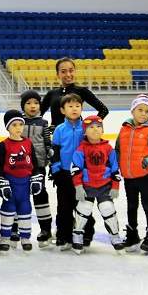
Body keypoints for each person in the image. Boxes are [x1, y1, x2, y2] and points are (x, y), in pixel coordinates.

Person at [115, 94, 148, 253]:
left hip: (145, 175)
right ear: (132, 111)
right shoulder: (124, 129)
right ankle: (132, 235)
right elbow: (117, 150)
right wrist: (114, 168)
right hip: (128, 176)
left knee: (147, 204)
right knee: (131, 206)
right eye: (140, 110)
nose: (144, 114)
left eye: (147, 111)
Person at [70, 115, 125, 255]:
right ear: (85, 131)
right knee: (84, 208)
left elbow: (115, 169)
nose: (95, 130)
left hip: (104, 186)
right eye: (91, 127)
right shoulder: (81, 149)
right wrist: (78, 187)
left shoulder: (108, 148)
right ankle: (77, 234)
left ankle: (115, 236)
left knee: (107, 208)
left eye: (98, 126)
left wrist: (115, 186)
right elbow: (75, 169)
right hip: (87, 186)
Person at [0, 109, 43, 252]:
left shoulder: (28, 143)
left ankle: (25, 237)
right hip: (10, 182)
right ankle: (5, 237)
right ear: (8, 127)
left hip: (25, 183)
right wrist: (1, 182)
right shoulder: (4, 145)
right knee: (8, 209)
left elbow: (34, 163)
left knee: (25, 209)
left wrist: (36, 178)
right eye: (14, 125)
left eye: (20, 124)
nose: (18, 128)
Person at [50, 93, 94, 250]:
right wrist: (56, 171)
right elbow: (54, 151)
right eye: (70, 106)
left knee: (84, 205)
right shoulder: (60, 130)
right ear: (62, 110)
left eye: (77, 106)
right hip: (65, 174)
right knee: (64, 207)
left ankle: (86, 233)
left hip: (84, 175)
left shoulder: (87, 128)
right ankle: (63, 236)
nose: (74, 109)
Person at [20, 90, 53, 246]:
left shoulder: (43, 123)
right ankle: (16, 229)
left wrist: (49, 155)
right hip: (20, 166)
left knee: (40, 195)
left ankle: (45, 230)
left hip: (38, 165)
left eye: (36, 103)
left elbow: (47, 142)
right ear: (23, 106)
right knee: (20, 196)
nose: (32, 106)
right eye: (28, 103)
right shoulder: (18, 122)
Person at [40, 57, 109, 127]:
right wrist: (44, 128)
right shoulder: (51, 94)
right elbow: (39, 113)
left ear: (75, 71)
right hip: (57, 136)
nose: (68, 74)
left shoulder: (82, 91)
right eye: (63, 71)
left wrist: (89, 126)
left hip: (77, 136)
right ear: (57, 74)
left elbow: (104, 110)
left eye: (71, 70)